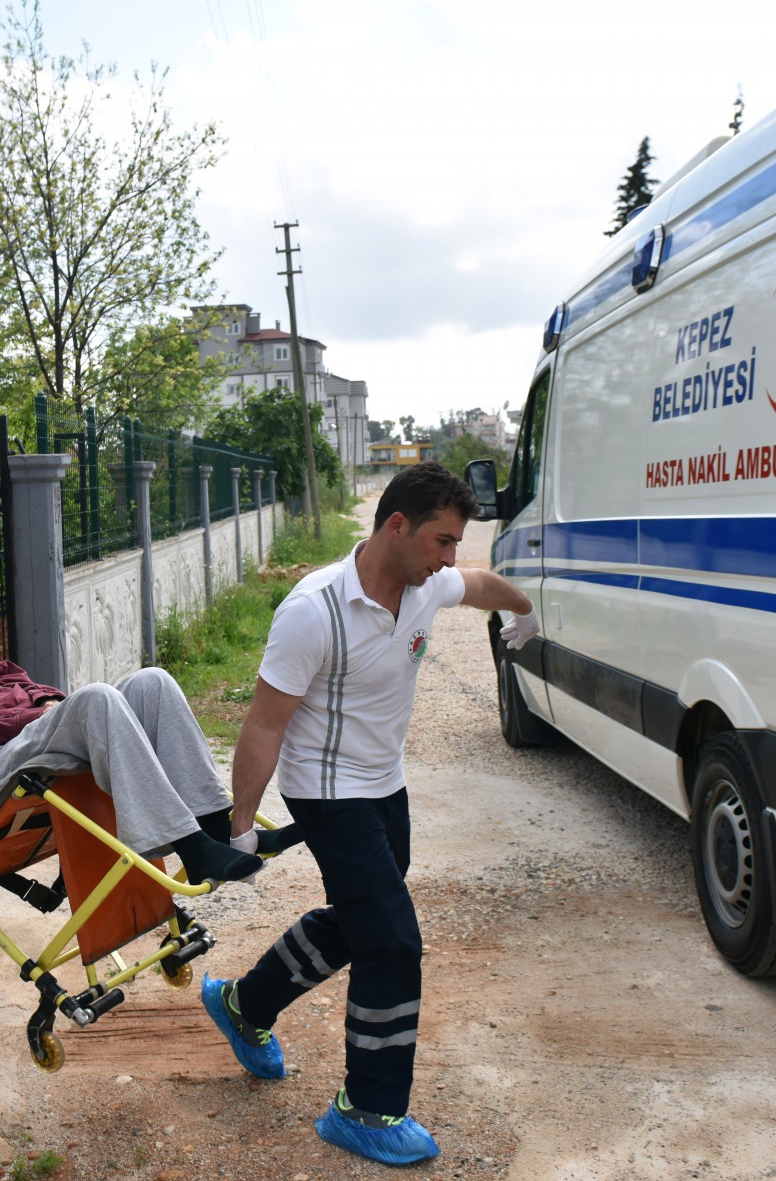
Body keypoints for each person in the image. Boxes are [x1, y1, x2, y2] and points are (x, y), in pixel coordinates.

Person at [200, 462, 540, 1167]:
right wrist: (240, 824)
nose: (450, 556)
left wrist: (523, 608)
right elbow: (263, 726)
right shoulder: (312, 610)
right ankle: (367, 1107)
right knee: (392, 940)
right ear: (397, 526)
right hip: (326, 791)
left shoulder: (426, 583)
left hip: (386, 784)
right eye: (442, 540)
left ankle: (243, 1004)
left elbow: (477, 585)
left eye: (454, 543)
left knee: (363, 917)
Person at [0, 594, 289, 883]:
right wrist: (28, 714)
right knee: (95, 698)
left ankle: (222, 829)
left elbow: (31, 685)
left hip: (26, 742)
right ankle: (193, 850)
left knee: (151, 682)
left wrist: (43, 709)